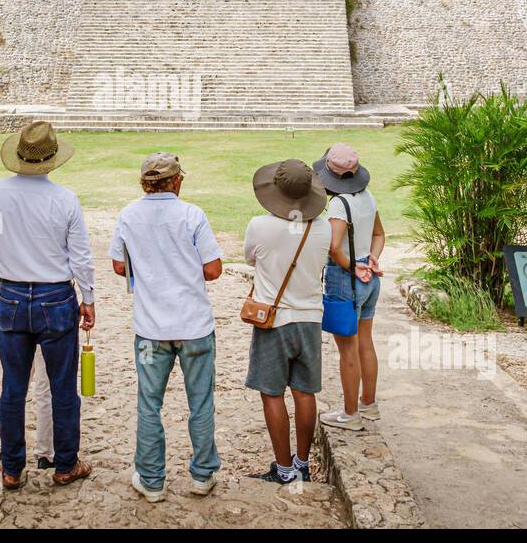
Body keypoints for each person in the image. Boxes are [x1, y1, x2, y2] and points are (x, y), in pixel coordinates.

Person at [0, 121, 94, 491]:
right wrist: (88, 299)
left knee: (13, 386)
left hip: (11, 294)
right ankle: (66, 463)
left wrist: (12, 241)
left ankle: (11, 467)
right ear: (53, 158)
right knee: (62, 387)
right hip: (54, 296)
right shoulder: (64, 198)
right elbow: (81, 257)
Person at [110, 153, 224, 502]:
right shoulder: (192, 214)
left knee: (149, 403)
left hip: (151, 328)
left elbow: (118, 265)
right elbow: (214, 269)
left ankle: (151, 478)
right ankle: (202, 474)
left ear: (145, 182)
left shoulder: (129, 215)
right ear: (176, 181)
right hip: (193, 325)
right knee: (200, 403)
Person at [243, 159, 331, 484]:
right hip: (310, 317)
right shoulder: (322, 227)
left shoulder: (259, 226)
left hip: (274, 319)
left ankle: (283, 469)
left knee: (272, 392)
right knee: (305, 392)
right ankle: (303, 463)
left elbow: (250, 257)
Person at [314, 144, 386, 429]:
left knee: (348, 349)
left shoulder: (338, 204)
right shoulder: (367, 196)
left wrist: (351, 265)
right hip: (370, 277)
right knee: (366, 342)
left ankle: (350, 414)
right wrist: (372, 257)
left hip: (346, 279)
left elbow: (334, 247)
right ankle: (369, 404)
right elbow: (379, 234)